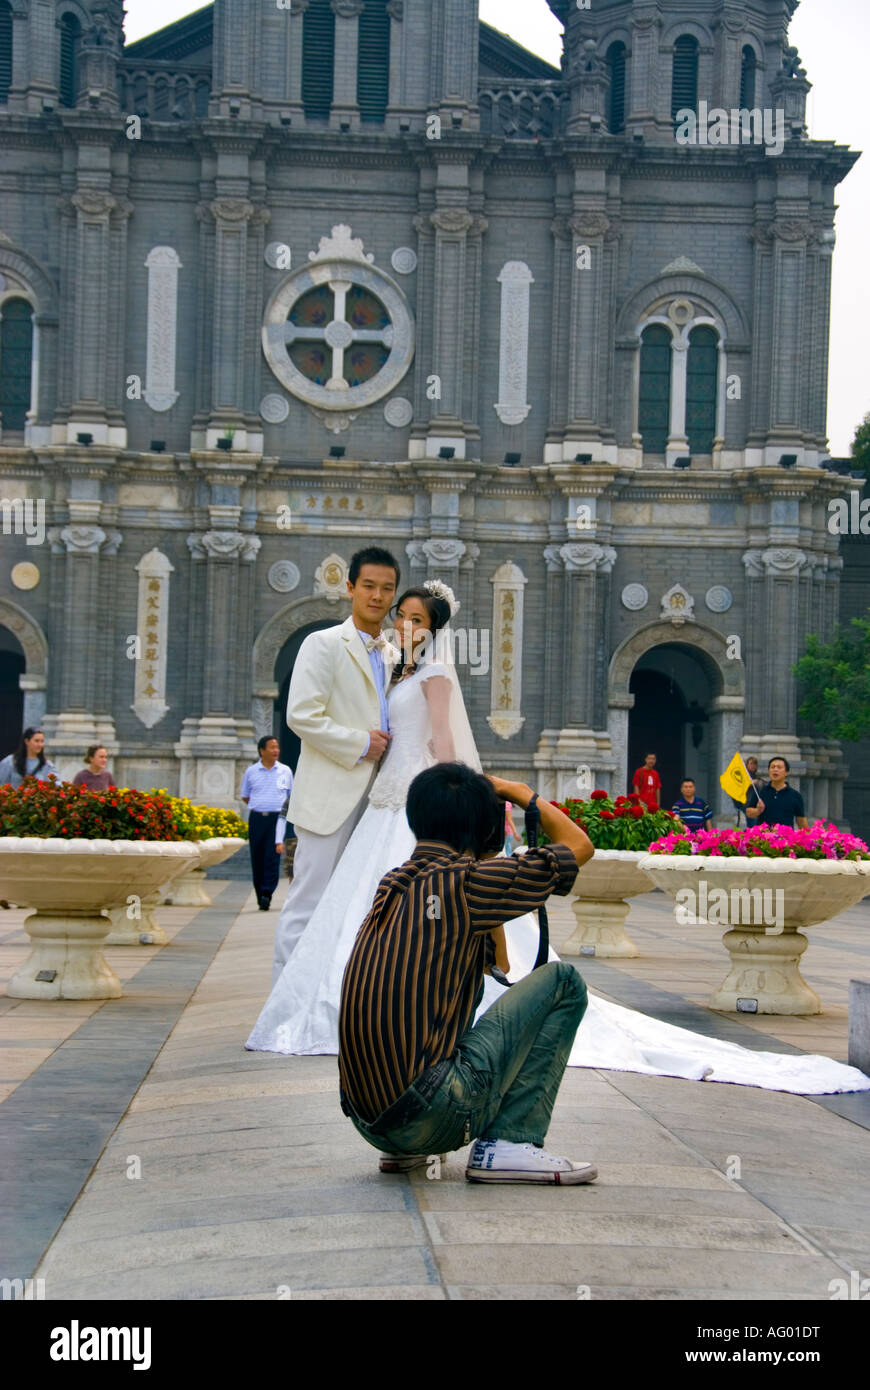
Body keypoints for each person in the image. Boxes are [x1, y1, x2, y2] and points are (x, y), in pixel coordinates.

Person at [247, 577, 870, 1098]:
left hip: (418, 804)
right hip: (387, 802)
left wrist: (466, 806)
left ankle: (438, 1004)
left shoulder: (434, 676)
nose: (405, 626)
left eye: (416, 619)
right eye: (401, 616)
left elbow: (442, 746)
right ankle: (355, 1009)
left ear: (434, 630)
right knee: (362, 908)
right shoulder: (392, 671)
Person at [339, 762, 598, 1184]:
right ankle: (510, 1144)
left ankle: (405, 1149)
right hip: (429, 1114)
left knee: (457, 988)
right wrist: (520, 793)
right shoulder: (466, 882)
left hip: (372, 1122)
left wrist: (484, 861)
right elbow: (578, 846)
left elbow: (498, 964)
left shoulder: (395, 882)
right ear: (482, 825)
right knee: (564, 982)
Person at [269, 546, 400, 984]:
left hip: (380, 800)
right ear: (350, 588)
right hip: (329, 794)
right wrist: (361, 743)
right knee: (308, 899)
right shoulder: (322, 643)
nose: (377, 596)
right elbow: (301, 715)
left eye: (386, 589)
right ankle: (282, 1002)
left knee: (361, 904)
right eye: (368, 586)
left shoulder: (394, 654)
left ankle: (336, 999)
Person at [240, 736, 293, 911]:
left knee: (272, 856)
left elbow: (291, 795)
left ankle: (267, 893)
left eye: (277, 747)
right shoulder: (251, 771)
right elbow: (245, 795)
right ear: (262, 750)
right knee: (257, 857)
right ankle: (260, 894)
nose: (276, 750)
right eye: (271, 747)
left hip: (277, 819)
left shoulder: (285, 771)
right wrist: (260, 805)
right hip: (256, 818)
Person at [745, 757, 809, 830]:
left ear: (786, 772)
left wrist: (808, 836)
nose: (775, 769)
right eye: (772, 767)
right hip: (764, 839)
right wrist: (758, 810)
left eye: (779, 767)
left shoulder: (795, 795)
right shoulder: (761, 791)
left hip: (785, 839)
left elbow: (801, 820)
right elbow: (748, 812)